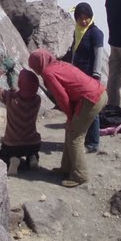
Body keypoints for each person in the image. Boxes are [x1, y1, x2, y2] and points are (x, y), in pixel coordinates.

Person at [27, 49, 107, 188]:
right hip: (98, 93)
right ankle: (66, 168)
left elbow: (62, 97)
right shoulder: (58, 64)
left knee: (76, 136)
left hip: (90, 99)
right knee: (70, 130)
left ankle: (80, 175)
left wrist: (69, 114)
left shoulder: (48, 73)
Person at [62, 2, 104, 153]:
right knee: (79, 109)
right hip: (78, 77)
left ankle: (93, 143)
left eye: (87, 18)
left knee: (91, 110)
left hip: (90, 77)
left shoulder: (95, 33)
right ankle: (82, 140)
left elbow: (99, 55)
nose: (84, 21)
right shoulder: (78, 31)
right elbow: (75, 51)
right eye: (80, 18)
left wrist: (96, 75)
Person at [0, 63, 42, 174]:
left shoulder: (9, 98)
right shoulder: (37, 100)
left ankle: (13, 160)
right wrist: (12, 87)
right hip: (33, 143)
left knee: (3, 157)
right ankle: (32, 157)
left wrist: (0, 71)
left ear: (20, 83)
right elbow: (24, 94)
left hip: (12, 144)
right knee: (32, 149)